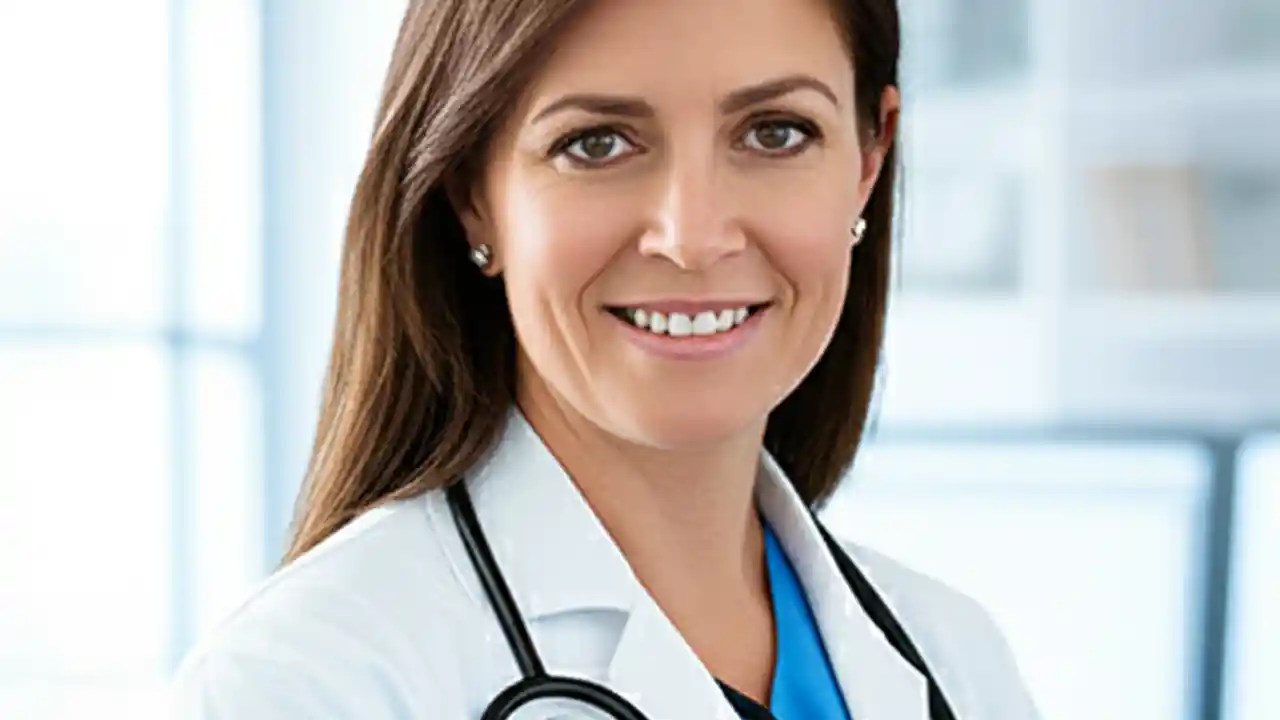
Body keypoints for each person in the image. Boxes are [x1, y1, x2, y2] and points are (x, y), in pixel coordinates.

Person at [171, 0, 1041, 717]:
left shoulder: (953, 664)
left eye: (775, 133)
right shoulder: (306, 682)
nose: (693, 238)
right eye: (596, 143)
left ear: (868, 161)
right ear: (473, 198)